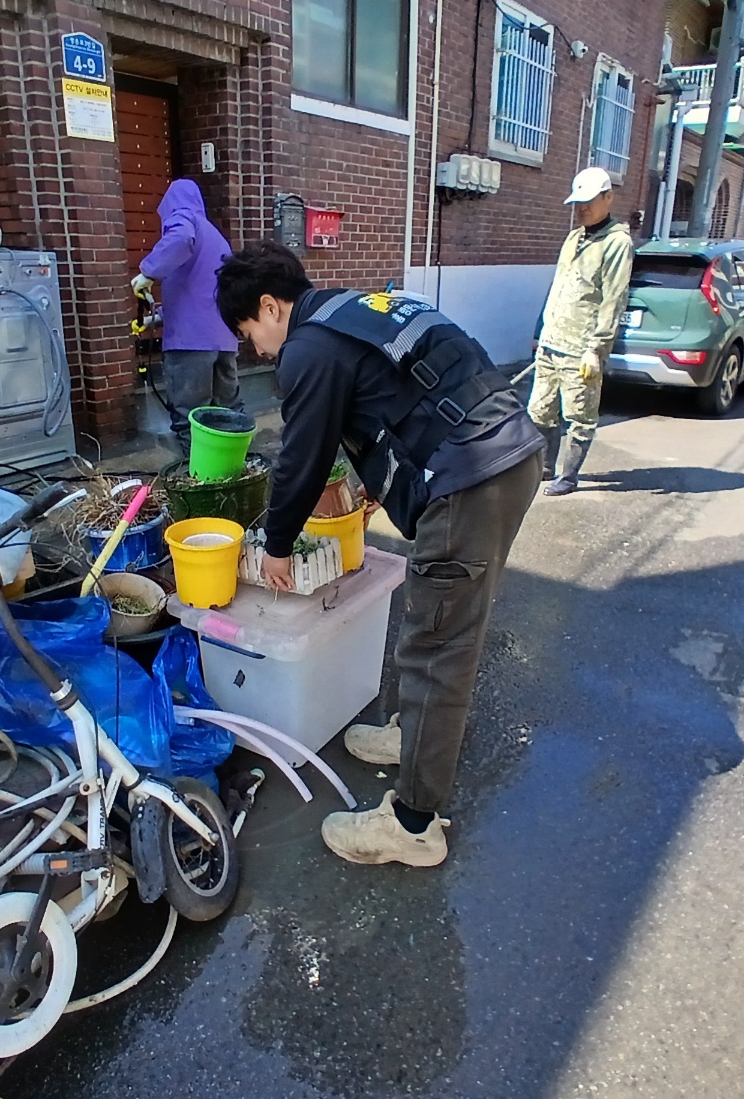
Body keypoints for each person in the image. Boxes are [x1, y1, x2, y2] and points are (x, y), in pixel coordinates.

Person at [215, 241, 544, 868]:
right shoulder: (354, 310)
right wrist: (375, 483)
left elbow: (302, 459)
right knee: (442, 624)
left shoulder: (306, 349)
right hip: (509, 452)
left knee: (437, 647)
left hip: (470, 479)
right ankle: (411, 736)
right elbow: (402, 395)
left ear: (269, 305)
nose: (255, 348)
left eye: (248, 331)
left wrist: (278, 546)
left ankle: (414, 824)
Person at [528, 166, 634, 496]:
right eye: (578, 202)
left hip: (581, 347)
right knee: (540, 410)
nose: (582, 208)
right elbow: (557, 287)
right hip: (552, 340)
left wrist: (596, 348)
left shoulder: (617, 244)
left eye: (588, 201)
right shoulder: (574, 237)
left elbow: (613, 299)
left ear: (608, 198)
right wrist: (539, 330)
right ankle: (545, 466)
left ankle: (568, 476)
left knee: (580, 416)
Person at [131, 179, 242, 456]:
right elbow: (200, 293)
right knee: (228, 415)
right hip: (223, 341)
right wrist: (154, 319)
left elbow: (180, 239)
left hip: (190, 345)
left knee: (190, 420)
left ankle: (198, 485)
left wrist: (148, 272)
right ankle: (236, 473)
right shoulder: (216, 237)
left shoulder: (184, 219)